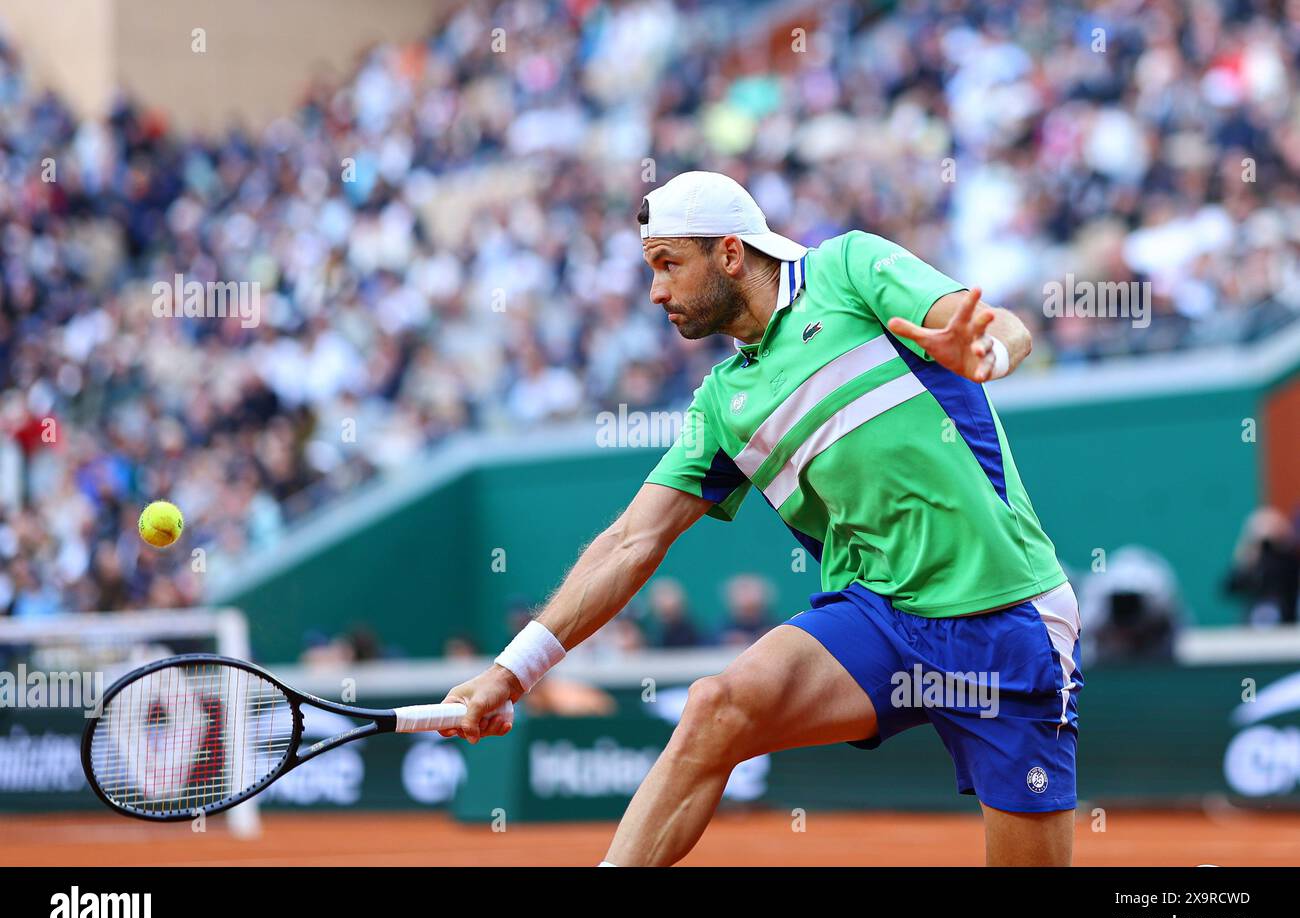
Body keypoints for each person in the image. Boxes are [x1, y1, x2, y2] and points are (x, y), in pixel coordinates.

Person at [438, 171, 1083, 866]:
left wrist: (983, 352)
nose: (656, 292)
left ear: (730, 254)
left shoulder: (848, 267)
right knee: (717, 707)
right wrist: (510, 674)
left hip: (1004, 615)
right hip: (877, 618)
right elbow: (632, 541)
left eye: (667, 265)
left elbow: (1002, 326)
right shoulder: (721, 403)